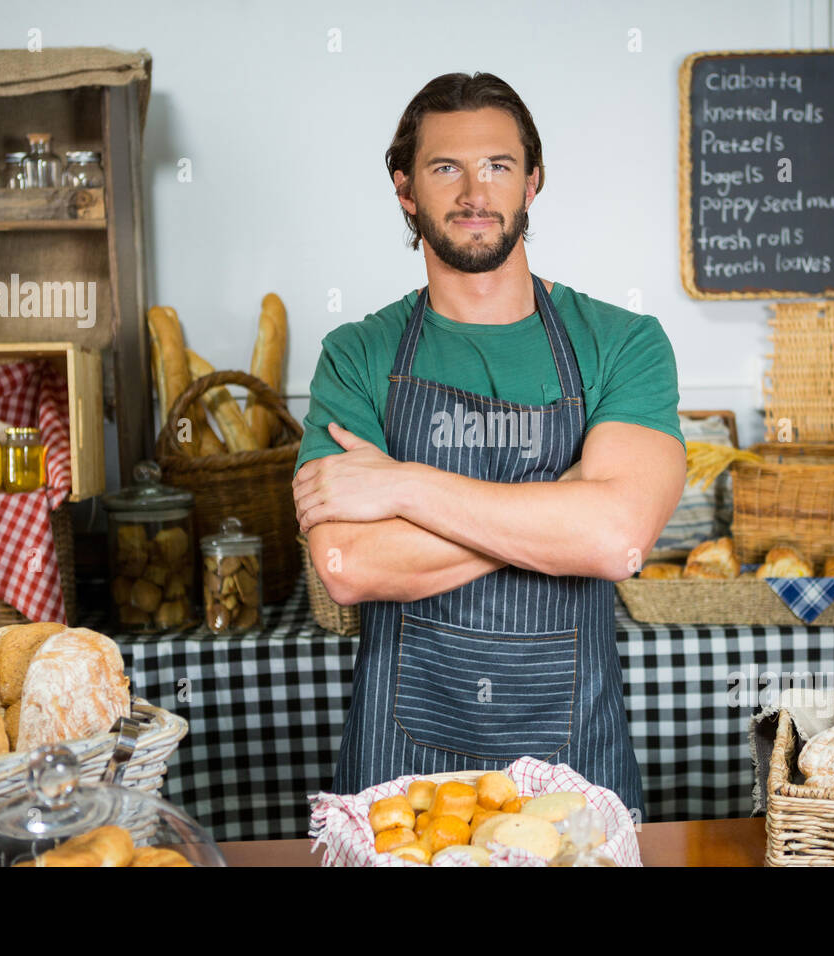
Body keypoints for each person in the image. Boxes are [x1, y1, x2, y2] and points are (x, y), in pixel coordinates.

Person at [292, 72, 685, 816]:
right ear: (405, 190)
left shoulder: (623, 343)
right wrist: (561, 511)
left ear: (533, 182)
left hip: (576, 768)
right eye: (446, 168)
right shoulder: (358, 354)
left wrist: (405, 488)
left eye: (499, 166)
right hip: (397, 775)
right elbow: (348, 565)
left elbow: (616, 541)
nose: (476, 191)